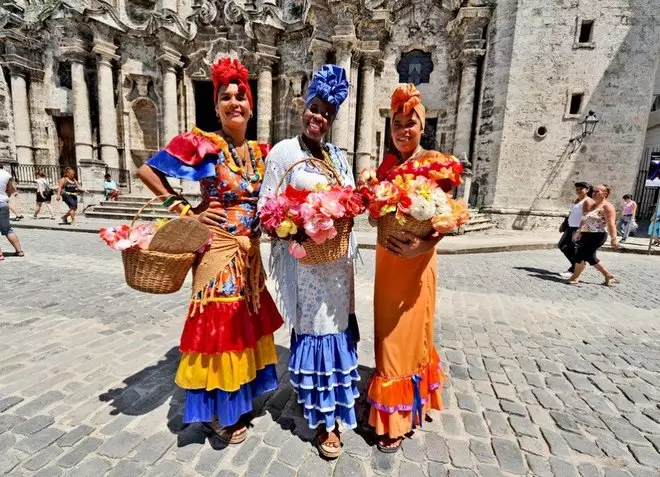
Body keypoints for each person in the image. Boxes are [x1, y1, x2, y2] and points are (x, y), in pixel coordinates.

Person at [137, 57, 282, 445]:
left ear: (251, 106)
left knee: (244, 329)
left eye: (240, 96)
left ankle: (239, 401)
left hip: (249, 256)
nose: (234, 102)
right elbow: (148, 171)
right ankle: (220, 413)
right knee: (220, 334)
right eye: (225, 97)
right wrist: (187, 210)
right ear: (216, 106)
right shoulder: (203, 143)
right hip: (217, 254)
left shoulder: (262, 151)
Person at [258, 65, 358, 459]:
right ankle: (325, 421)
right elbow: (266, 210)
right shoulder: (285, 153)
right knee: (317, 332)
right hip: (307, 266)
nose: (320, 117)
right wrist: (294, 227)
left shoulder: (337, 156)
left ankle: (333, 403)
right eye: (315, 108)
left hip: (337, 263)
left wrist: (348, 207)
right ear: (304, 106)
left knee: (338, 329)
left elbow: (350, 200)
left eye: (328, 112)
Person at [366, 84, 446, 453]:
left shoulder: (436, 164)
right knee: (385, 336)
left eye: (409, 123)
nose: (403, 129)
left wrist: (425, 244)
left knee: (407, 338)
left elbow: (450, 218)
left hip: (416, 265)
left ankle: (395, 417)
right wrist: (371, 198)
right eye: (397, 123)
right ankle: (401, 401)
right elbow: (374, 219)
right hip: (387, 265)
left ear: (421, 126)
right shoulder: (386, 167)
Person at [568, 184, 619, 286]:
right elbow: (584, 220)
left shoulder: (607, 206)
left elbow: (611, 223)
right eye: (593, 191)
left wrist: (614, 238)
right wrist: (578, 232)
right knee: (585, 256)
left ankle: (575, 277)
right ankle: (608, 276)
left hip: (597, 235)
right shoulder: (593, 205)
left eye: (597, 192)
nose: (594, 193)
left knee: (583, 255)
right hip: (586, 235)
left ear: (605, 193)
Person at [558, 182, 591, 278]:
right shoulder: (576, 200)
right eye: (577, 189)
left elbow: (587, 217)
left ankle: (574, 269)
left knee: (573, 248)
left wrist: (580, 230)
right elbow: (571, 213)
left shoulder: (587, 201)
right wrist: (564, 223)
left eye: (581, 189)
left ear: (587, 190)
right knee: (562, 245)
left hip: (577, 228)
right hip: (570, 226)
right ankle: (577, 265)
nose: (578, 191)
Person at [0, 164, 24, 260]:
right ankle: (19, 251)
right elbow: (10, 191)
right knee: (7, 229)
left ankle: (0, 255)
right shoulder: (6, 174)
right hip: (3, 203)